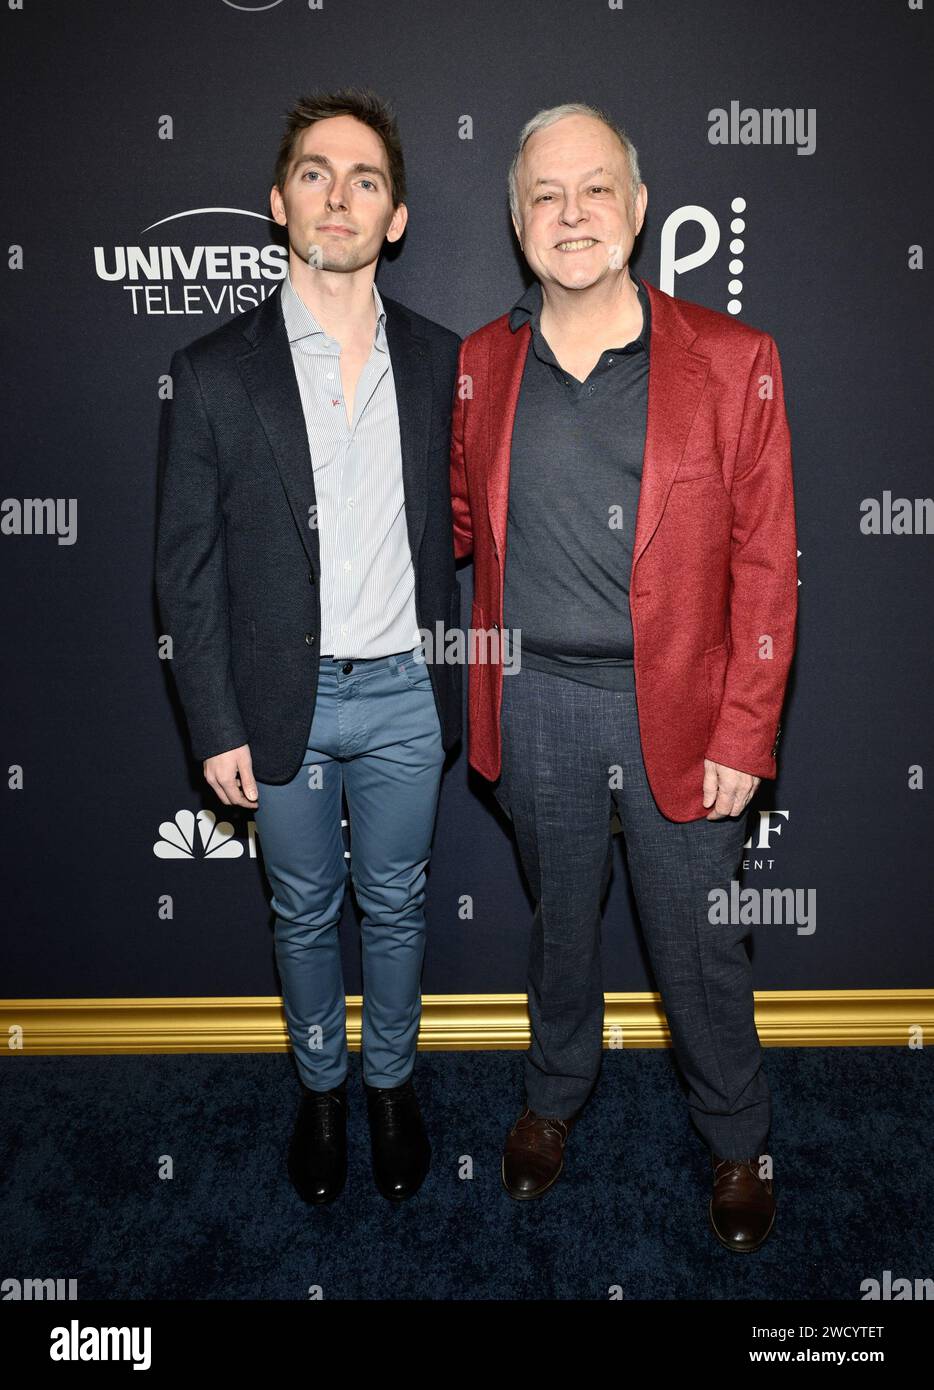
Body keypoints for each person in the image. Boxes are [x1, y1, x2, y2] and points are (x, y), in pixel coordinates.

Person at [450, 103, 797, 1250]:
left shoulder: (736, 360)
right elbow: (459, 520)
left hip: (689, 712)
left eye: (594, 188)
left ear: (639, 209)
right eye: (545, 195)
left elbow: (764, 561)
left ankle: (737, 1137)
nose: (571, 214)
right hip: (535, 699)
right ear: (515, 222)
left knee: (698, 942)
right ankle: (552, 1102)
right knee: (557, 926)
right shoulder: (480, 363)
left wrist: (747, 733)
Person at [156, 88, 462, 1206]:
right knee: (299, 911)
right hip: (276, 700)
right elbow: (184, 568)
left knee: (397, 906)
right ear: (277, 203)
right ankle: (321, 1090)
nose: (339, 195)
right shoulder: (211, 371)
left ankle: (389, 1085)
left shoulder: (442, 363)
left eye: (366, 180)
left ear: (396, 219)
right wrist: (214, 719)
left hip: (403, 695)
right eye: (318, 174)